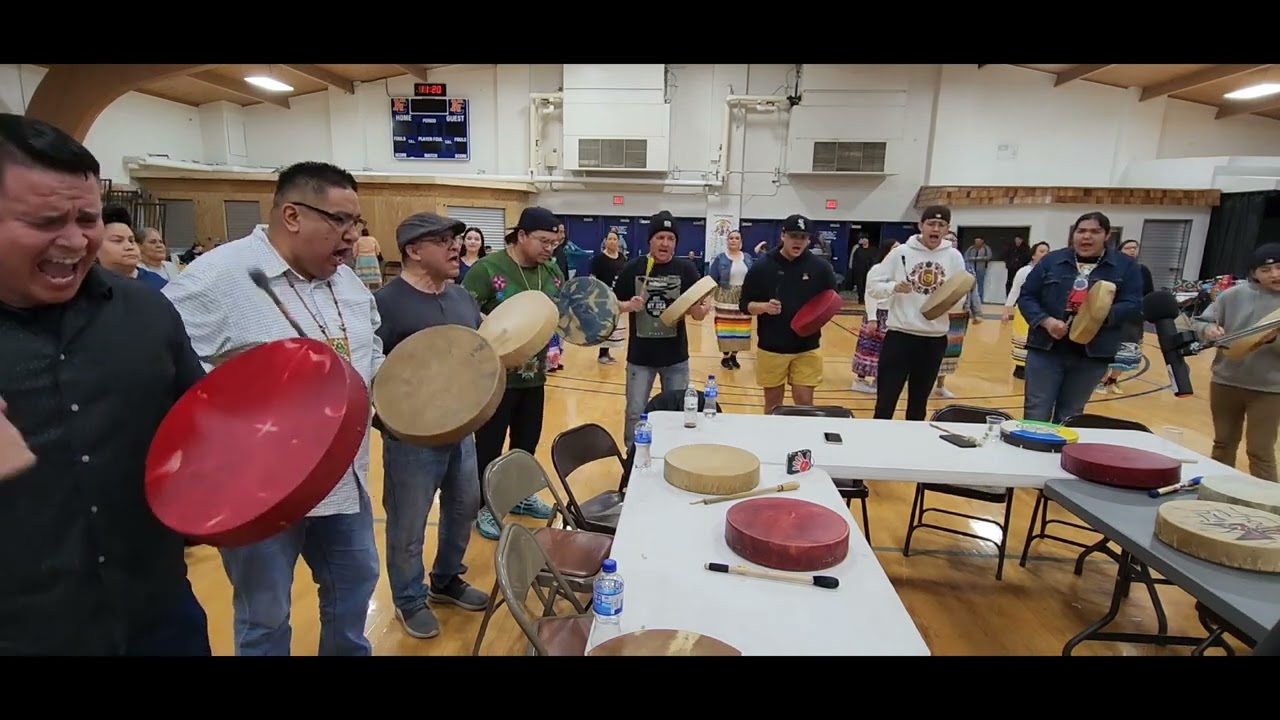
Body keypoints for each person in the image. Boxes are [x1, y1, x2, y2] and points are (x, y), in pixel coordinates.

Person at [0, 113, 210, 656]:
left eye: (87, 218)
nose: (74, 241)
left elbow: (200, 422)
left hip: (159, 610)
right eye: (47, 221)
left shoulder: (147, 311)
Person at [163, 161, 383, 656]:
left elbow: (372, 354)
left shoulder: (347, 283)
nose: (352, 237)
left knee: (353, 592)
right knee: (265, 617)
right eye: (340, 221)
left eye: (356, 224)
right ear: (292, 215)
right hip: (255, 492)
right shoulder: (215, 278)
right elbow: (160, 369)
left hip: (343, 481)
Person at [374, 212, 490, 639]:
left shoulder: (461, 298)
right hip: (411, 439)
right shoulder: (386, 304)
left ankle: (445, 580)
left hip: (461, 428)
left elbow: (479, 354)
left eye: (455, 238)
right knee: (408, 522)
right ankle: (408, 598)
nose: (455, 246)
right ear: (413, 251)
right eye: (442, 240)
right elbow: (370, 374)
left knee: (463, 508)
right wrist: (389, 422)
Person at [461, 206, 563, 540]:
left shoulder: (551, 272)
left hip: (534, 377)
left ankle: (519, 497)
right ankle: (485, 507)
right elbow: (463, 316)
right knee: (489, 446)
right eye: (543, 241)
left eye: (554, 242)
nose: (550, 248)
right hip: (495, 378)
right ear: (521, 235)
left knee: (525, 443)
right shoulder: (486, 270)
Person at [1016, 211, 1144, 424]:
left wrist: (1096, 317)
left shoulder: (1126, 266)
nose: (1087, 236)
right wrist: (1046, 321)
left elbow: (1133, 304)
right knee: (1035, 412)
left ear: (1106, 235)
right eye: (1081, 231)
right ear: (1073, 234)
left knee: (1071, 415)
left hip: (1092, 354)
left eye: (1095, 231)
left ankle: (1060, 457)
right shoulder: (1051, 261)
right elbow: (1027, 296)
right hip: (1046, 349)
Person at [613, 210, 707, 446]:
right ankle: (632, 460)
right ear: (650, 241)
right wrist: (628, 305)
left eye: (670, 238)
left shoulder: (686, 270)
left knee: (676, 414)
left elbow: (697, 311)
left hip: (675, 358)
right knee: (635, 412)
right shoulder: (633, 268)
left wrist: (700, 311)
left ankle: (671, 453)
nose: (665, 243)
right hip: (640, 358)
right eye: (660, 237)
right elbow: (612, 304)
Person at [864, 206, 967, 420]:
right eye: (931, 223)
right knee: (886, 401)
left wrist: (945, 302)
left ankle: (912, 449)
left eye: (941, 225)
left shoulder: (954, 256)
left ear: (947, 228)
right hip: (900, 337)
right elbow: (873, 285)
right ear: (921, 226)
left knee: (919, 404)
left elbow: (961, 294)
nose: (935, 228)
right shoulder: (901, 252)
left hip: (934, 339)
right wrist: (893, 287)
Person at [1193, 243, 1280, 481]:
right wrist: (1208, 329)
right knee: (1223, 443)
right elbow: (1201, 322)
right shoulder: (1233, 295)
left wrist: (1271, 340)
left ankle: (1268, 506)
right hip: (1226, 381)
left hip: (1269, 389)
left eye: (1279, 268)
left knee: (1260, 451)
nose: (1274, 275)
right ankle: (1219, 493)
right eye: (1265, 270)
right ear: (1254, 272)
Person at [740, 214, 838, 413]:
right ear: (783, 236)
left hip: (807, 346)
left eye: (803, 237)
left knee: (804, 402)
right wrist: (764, 307)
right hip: (772, 346)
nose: (798, 241)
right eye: (794, 235)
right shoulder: (762, 267)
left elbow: (831, 300)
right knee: (774, 405)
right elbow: (744, 304)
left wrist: (817, 318)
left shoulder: (821, 268)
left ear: (808, 240)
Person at [1097, 239, 1155, 394]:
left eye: (1134, 248)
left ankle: (1113, 380)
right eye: (1128, 248)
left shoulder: (1142, 270)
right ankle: (1100, 381)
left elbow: (1149, 293)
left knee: (1128, 351)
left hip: (1134, 318)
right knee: (1110, 349)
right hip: (1114, 315)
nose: (1132, 251)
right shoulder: (1113, 269)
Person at [707, 229, 754, 370]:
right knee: (725, 328)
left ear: (741, 241)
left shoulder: (747, 257)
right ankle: (725, 356)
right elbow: (712, 279)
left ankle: (734, 355)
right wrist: (708, 299)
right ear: (727, 241)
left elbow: (753, 277)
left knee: (741, 328)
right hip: (724, 296)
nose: (733, 240)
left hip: (742, 297)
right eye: (731, 238)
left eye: (736, 238)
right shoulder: (720, 258)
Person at [1003, 241, 1050, 380]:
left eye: (1047, 251)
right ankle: (1020, 368)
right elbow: (1014, 291)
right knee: (1022, 340)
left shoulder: (1050, 271)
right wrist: (1007, 310)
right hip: (1025, 311)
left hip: (1043, 312)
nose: (1045, 254)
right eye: (1041, 251)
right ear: (1033, 255)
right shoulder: (1024, 271)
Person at [98, 205, 168, 289]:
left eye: (131, 241)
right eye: (117, 240)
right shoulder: (84, 285)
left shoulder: (160, 286)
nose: (129, 247)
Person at [590, 231, 626, 364]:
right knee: (604, 326)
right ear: (605, 241)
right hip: (602, 297)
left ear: (618, 242)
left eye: (614, 239)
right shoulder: (599, 259)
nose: (612, 241)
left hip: (616, 297)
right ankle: (602, 354)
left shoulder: (622, 258)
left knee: (613, 326)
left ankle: (607, 352)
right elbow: (593, 279)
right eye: (609, 239)